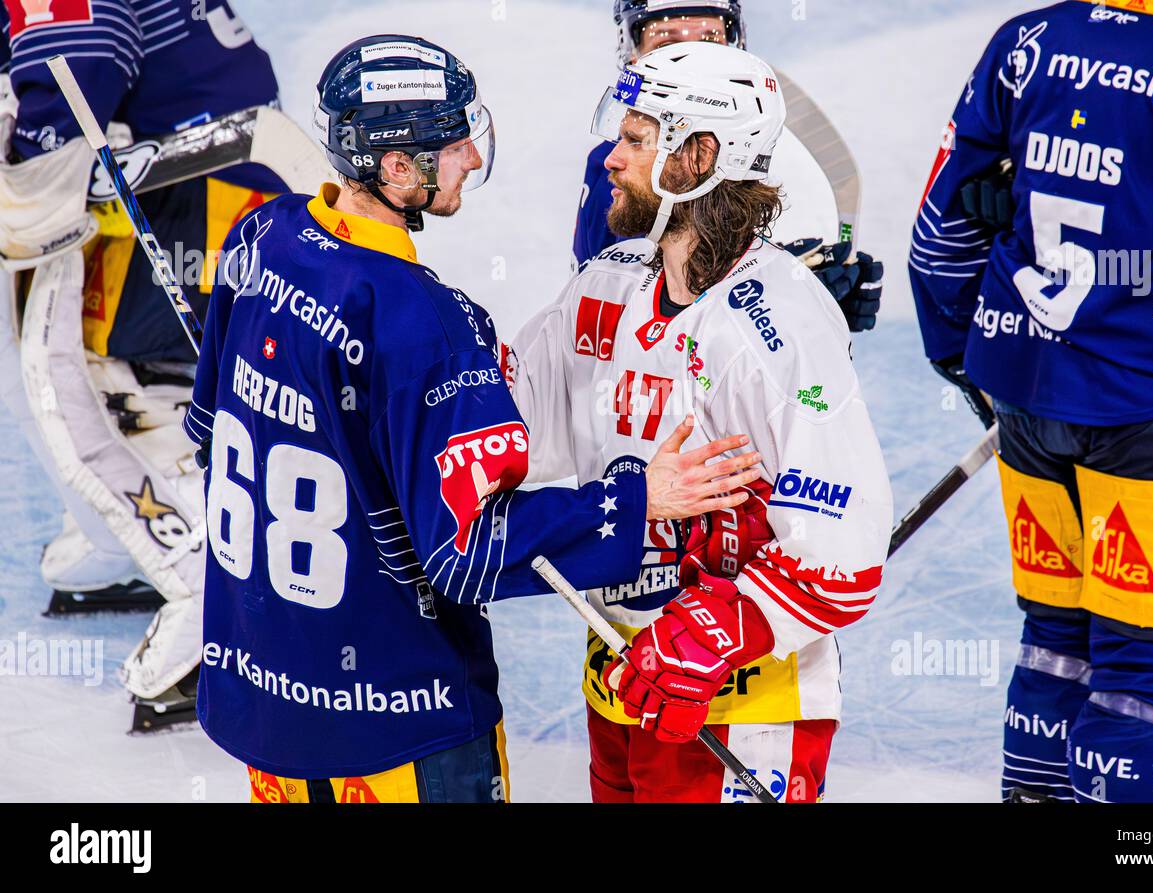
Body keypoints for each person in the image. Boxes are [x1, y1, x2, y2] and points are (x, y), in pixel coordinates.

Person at [183, 34, 760, 804]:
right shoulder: (426, 323)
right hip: (398, 720)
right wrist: (636, 499)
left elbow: (205, 432)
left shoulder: (261, 236)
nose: (473, 161)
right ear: (395, 167)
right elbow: (467, 551)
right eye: (452, 143)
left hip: (264, 701)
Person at [908, 0, 1153, 802]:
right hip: (1152, 413)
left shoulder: (1027, 43)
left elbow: (940, 235)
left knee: (1057, 637)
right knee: (1145, 665)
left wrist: (964, 354)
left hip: (1026, 399)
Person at [508, 41, 893, 802]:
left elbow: (845, 553)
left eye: (636, 138)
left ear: (700, 154)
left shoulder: (777, 322)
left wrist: (725, 621)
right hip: (621, 676)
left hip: (744, 705)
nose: (611, 159)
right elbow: (512, 427)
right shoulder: (605, 286)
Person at [0, 0, 302, 727]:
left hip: (190, 191)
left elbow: (81, 51)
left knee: (105, 387)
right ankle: (116, 536)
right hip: (210, 175)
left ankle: (210, 582)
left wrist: (27, 178)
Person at [574, 0, 883, 334]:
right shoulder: (621, 170)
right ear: (632, 55)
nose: (691, 59)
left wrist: (818, 301)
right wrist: (768, 295)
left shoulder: (760, 144)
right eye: (666, 43)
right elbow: (609, 334)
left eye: (708, 40)